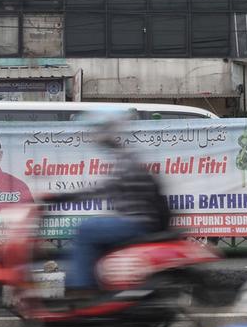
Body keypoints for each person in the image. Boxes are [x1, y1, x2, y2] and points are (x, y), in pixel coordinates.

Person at [48, 110, 171, 298]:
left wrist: (59, 198)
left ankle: (83, 290)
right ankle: (95, 280)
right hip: (137, 220)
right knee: (93, 228)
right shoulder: (126, 158)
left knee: (85, 229)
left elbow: (100, 191)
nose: (98, 138)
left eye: (102, 133)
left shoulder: (126, 162)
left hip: (138, 223)